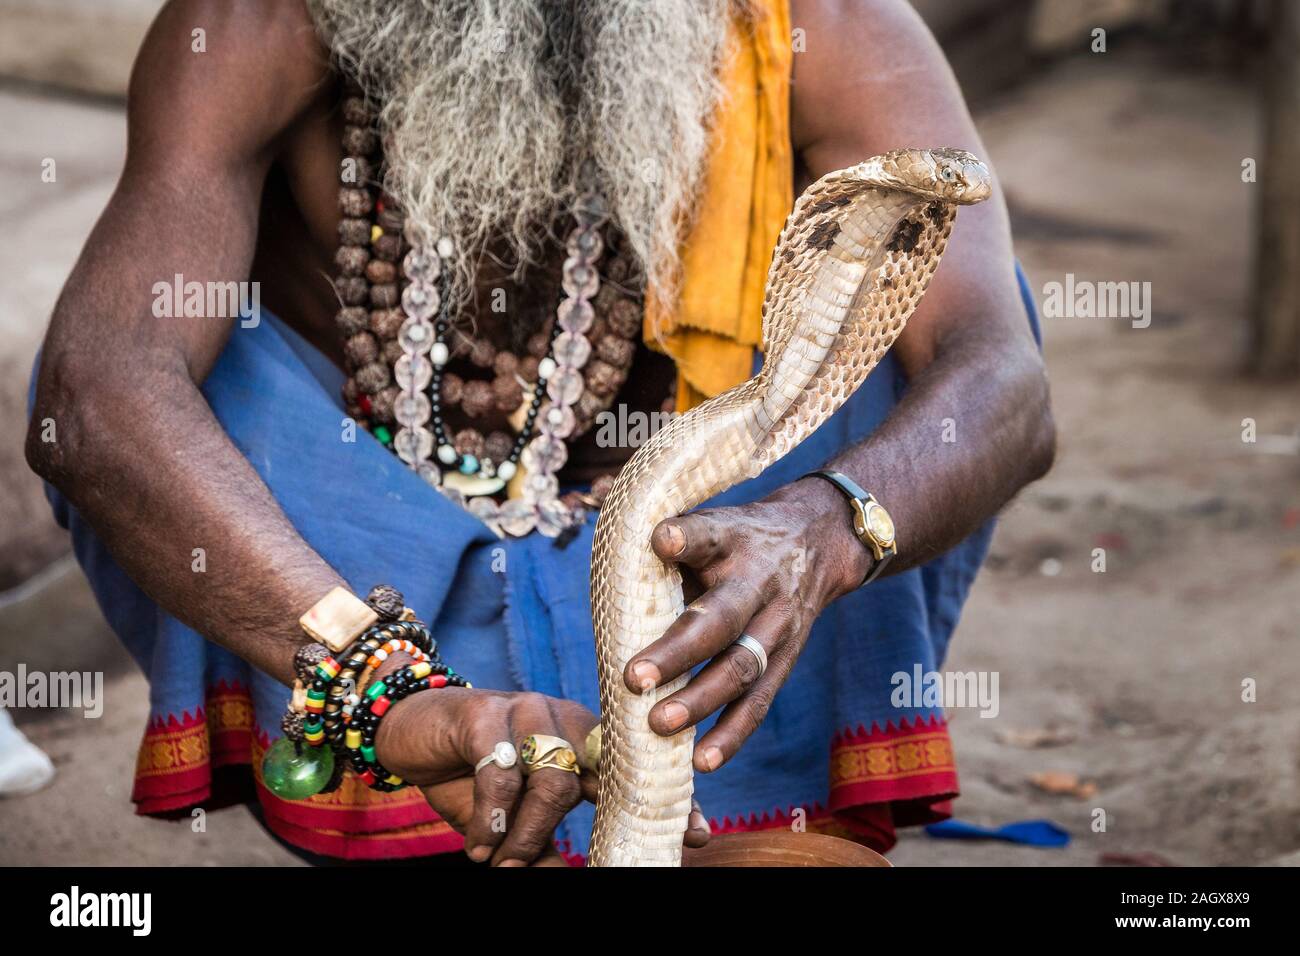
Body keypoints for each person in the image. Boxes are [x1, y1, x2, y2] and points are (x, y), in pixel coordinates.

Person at [26, 0, 1053, 865]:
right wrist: (382, 686)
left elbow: (1001, 380)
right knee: (157, 358)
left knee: (907, 344)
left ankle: (740, 810)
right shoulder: (255, 22)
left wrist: (824, 528)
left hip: (699, 585)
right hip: (378, 593)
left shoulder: (819, 23)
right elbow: (94, 393)